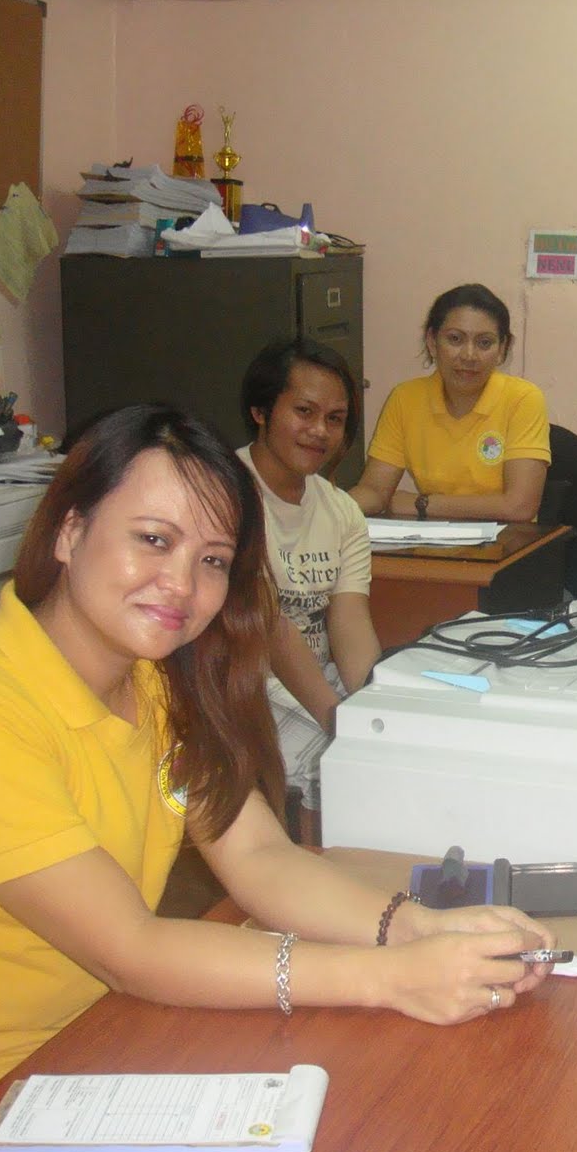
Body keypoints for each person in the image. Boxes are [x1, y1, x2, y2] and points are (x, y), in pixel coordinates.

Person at [0, 405, 553, 1152]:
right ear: (68, 531)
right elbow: (130, 948)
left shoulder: (150, 681)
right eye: (153, 540)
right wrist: (393, 978)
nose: (182, 586)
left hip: (93, 1044)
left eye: (214, 560)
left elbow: (258, 855)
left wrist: (417, 926)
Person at [238, 337, 379, 830]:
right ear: (260, 410)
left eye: (335, 419)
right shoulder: (225, 494)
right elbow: (270, 627)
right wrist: (338, 720)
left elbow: (350, 620)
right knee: (340, 772)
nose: (319, 431)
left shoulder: (341, 509)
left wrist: (372, 703)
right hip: (243, 682)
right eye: (304, 411)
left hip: (314, 675)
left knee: (403, 740)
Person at [349, 284, 550, 523]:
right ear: (432, 342)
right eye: (455, 339)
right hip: (433, 544)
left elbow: (519, 507)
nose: (469, 355)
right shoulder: (405, 398)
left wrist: (422, 503)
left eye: (485, 343)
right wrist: (328, 512)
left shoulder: (523, 399)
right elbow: (374, 491)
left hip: (509, 547)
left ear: (502, 349)